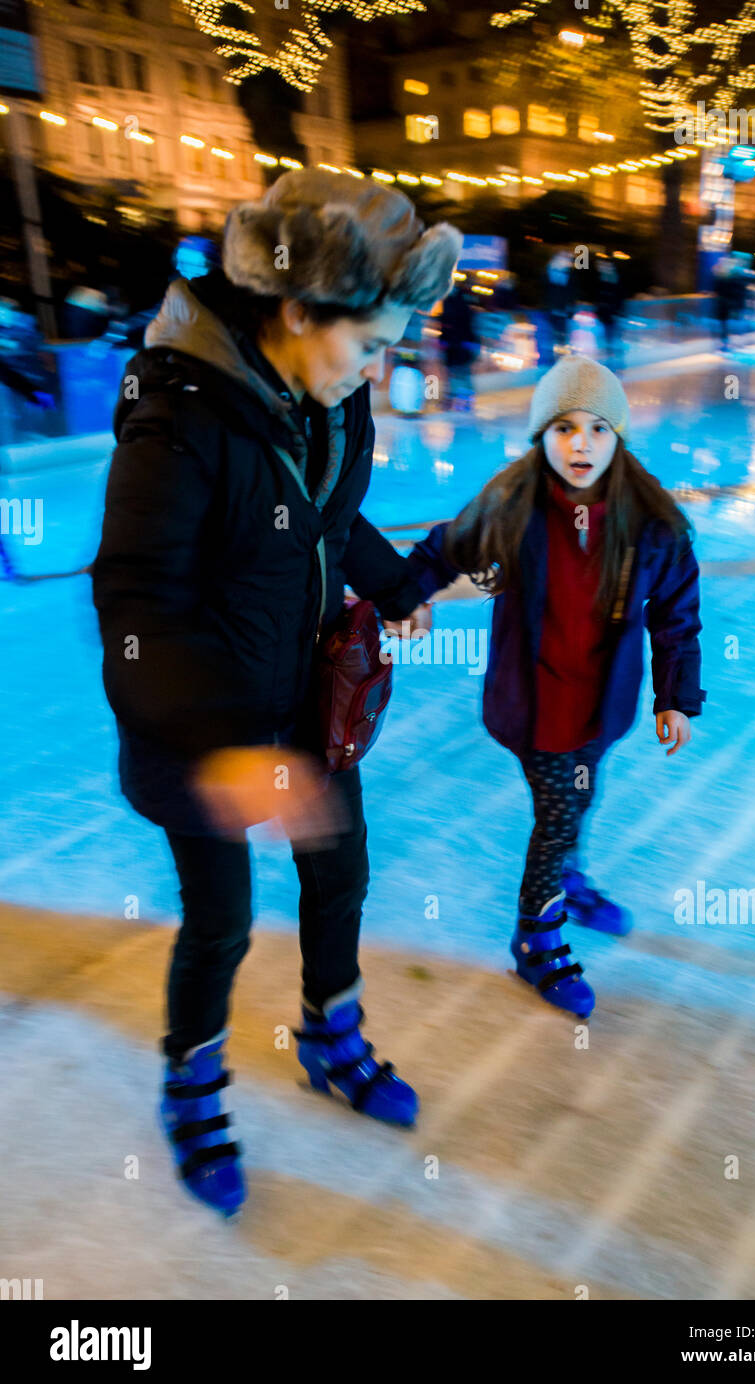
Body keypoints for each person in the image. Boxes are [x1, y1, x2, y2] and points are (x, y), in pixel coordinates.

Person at [90, 169, 462, 1218]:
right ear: (298, 309)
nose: (379, 370)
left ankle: (329, 1035)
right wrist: (220, 746)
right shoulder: (179, 418)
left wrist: (398, 588)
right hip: (192, 721)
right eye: (372, 344)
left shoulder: (325, 402)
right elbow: (133, 607)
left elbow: (328, 523)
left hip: (298, 690)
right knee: (220, 920)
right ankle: (193, 1083)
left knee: (339, 866)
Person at [402, 355, 706, 1017]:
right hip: (533, 701)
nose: (581, 444)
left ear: (618, 437)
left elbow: (676, 615)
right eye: (564, 427)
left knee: (583, 793)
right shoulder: (513, 507)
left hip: (601, 704)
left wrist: (677, 696)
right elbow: (440, 551)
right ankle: (537, 941)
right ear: (541, 436)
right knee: (558, 813)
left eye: (598, 428)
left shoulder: (651, 525)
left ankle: (566, 878)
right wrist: (408, 598)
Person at [439, 279, 479, 410]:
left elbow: (447, 322)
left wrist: (444, 339)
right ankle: (464, 399)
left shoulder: (451, 302)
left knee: (457, 371)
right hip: (461, 343)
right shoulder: (467, 302)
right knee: (460, 371)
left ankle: (455, 399)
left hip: (456, 343)